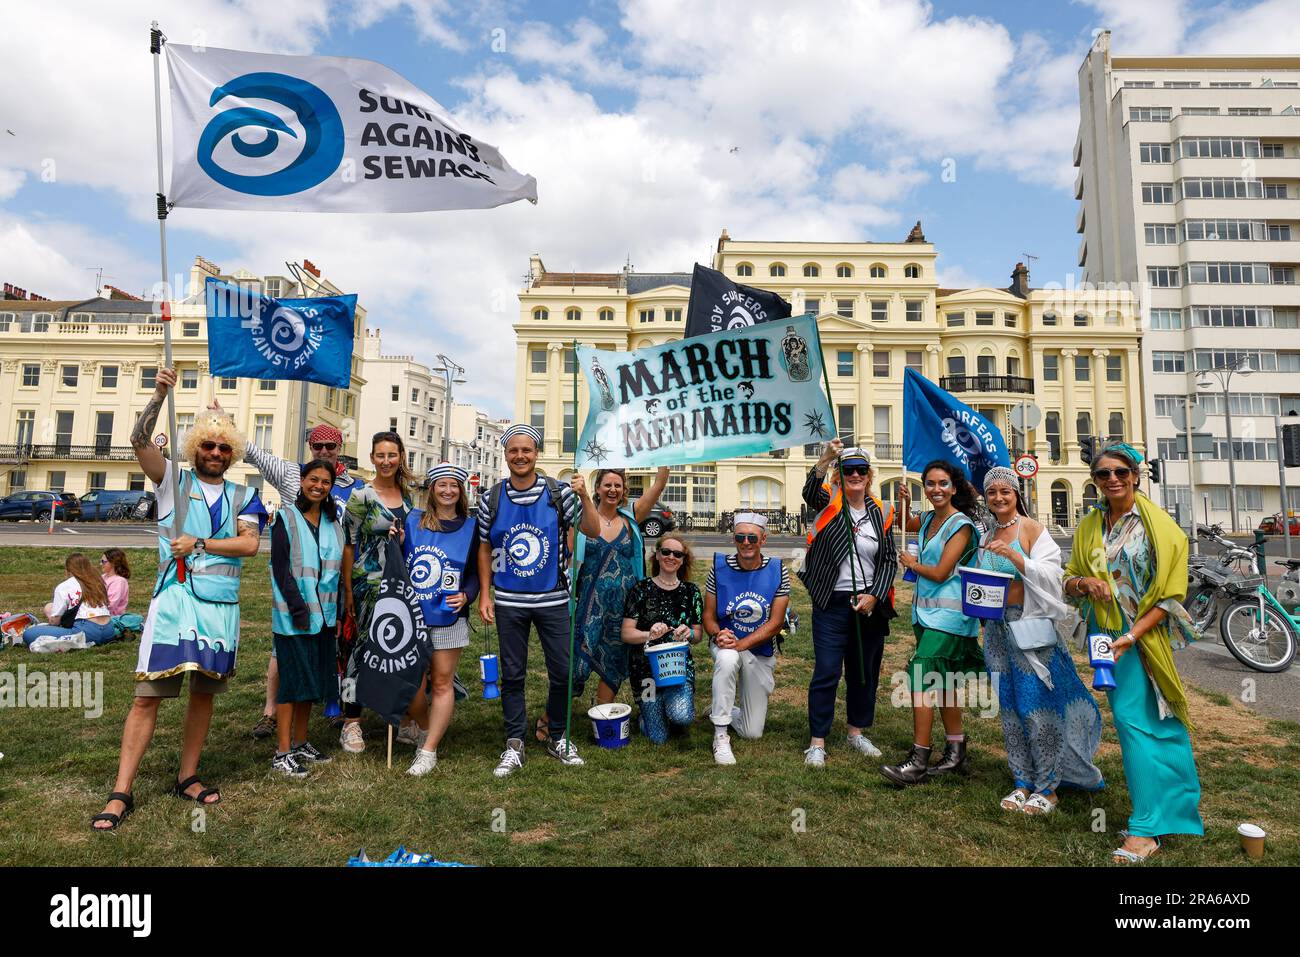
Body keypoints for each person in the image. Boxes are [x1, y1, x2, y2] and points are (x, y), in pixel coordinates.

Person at [92, 368, 266, 830]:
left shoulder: (247, 496)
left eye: (224, 447)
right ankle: (121, 791)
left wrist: (200, 543)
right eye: (208, 446)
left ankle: (187, 775)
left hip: (221, 608)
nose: (215, 453)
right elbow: (137, 440)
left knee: (203, 695)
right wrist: (158, 394)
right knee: (148, 695)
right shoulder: (172, 479)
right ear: (195, 449)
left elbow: (249, 546)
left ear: (233, 453)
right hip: (174, 602)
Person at [1063, 443, 1203, 862]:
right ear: (1095, 482)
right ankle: (1160, 812)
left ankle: (1146, 828)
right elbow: (1069, 579)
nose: (1113, 480)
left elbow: (1171, 596)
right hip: (1105, 637)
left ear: (1136, 475)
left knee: (1137, 722)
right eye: (1103, 474)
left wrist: (1133, 635)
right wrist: (1085, 585)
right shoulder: (1090, 525)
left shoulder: (1160, 526)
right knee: (1137, 723)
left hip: (1140, 639)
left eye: (1121, 472)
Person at [208, 407, 365, 742]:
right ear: (310, 447)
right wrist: (227, 421)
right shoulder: (290, 473)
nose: (324, 452)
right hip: (295, 590)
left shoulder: (355, 486)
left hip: (331, 589)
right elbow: (253, 452)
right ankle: (271, 714)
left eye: (331, 447)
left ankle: (334, 709)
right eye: (318, 446)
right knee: (284, 656)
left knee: (336, 650)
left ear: (340, 449)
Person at [978, 466, 1103, 814]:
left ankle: (1048, 788)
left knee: (1038, 707)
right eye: (992, 492)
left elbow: (1054, 574)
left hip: (1030, 627)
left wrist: (1018, 558)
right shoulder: (986, 533)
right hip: (997, 631)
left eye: (1005, 491)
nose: (999, 498)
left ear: (1016, 494)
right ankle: (1022, 780)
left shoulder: (1031, 529)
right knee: (1010, 708)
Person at [477, 424, 599, 776]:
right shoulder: (492, 498)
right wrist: (485, 593)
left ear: (536, 453)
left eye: (526, 450)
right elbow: (484, 548)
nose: (520, 456)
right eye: (513, 450)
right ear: (505, 455)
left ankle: (557, 734)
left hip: (553, 598)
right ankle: (514, 742)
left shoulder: (559, 493)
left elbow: (591, 530)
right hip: (510, 600)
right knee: (512, 674)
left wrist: (586, 496)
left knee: (562, 672)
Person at [536, 466, 669, 739]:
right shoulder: (583, 520)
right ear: (597, 488)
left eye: (618, 486)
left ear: (624, 491)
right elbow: (569, 560)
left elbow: (657, 486)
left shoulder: (631, 517)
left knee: (615, 662)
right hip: (589, 605)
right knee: (577, 665)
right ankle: (551, 716)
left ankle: (603, 716)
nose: (612, 490)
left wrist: (663, 461)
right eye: (607, 485)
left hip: (624, 608)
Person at [884, 460, 983, 785]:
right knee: (945, 684)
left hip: (951, 617)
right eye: (930, 484)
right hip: (925, 615)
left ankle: (917, 760)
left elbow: (941, 572)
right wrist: (906, 502)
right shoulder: (928, 519)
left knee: (922, 679)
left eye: (942, 484)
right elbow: (904, 521)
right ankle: (956, 753)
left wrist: (913, 563)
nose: (936, 489)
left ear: (953, 488)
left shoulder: (961, 525)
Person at [799, 442, 898, 767]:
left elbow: (887, 559)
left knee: (863, 672)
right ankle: (817, 742)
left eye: (860, 471)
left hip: (866, 602)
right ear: (840, 476)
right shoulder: (830, 499)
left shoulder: (880, 511)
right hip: (832, 600)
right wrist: (826, 458)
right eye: (848, 470)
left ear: (869, 477)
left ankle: (856, 732)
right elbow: (810, 490)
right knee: (827, 670)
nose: (854, 475)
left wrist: (875, 596)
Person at [338, 431, 416, 753]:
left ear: (400, 457)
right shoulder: (362, 496)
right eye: (380, 455)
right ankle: (350, 722)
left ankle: (399, 717)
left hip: (399, 585)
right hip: (366, 584)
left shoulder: (408, 496)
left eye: (392, 455)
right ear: (372, 457)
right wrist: (348, 589)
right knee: (358, 651)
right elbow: (348, 544)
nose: (386, 461)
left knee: (396, 649)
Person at [402, 463, 481, 776]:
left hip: (450, 614)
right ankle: (423, 726)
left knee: (442, 681)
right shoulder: (411, 522)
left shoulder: (471, 527)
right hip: (412, 614)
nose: (448, 491)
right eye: (441, 485)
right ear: (431, 489)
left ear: (461, 491)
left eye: (454, 486)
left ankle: (429, 750)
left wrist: (468, 595)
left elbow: (476, 571)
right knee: (411, 684)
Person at [267, 459, 344, 777]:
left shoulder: (332, 522)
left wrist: (337, 614)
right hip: (294, 617)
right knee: (293, 686)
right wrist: (298, 609)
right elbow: (281, 569)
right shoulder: (286, 518)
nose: (319, 486)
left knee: (311, 684)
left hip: (324, 618)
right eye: (314, 479)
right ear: (301, 481)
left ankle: (301, 742)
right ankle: (282, 752)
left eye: (325, 482)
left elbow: (335, 573)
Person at [703, 513, 791, 765]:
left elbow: (775, 623)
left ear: (763, 539)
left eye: (752, 537)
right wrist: (718, 633)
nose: (746, 542)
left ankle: (724, 707)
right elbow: (709, 616)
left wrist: (741, 643)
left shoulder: (778, 570)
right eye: (740, 537)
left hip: (759, 648)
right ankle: (720, 735)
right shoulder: (719, 568)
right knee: (728, 659)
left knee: (752, 732)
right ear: (734, 539)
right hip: (726, 643)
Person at [621, 536, 703, 743]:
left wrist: (688, 633)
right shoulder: (640, 590)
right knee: (658, 738)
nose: (671, 557)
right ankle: (647, 715)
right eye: (666, 552)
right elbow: (626, 633)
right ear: (657, 555)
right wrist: (649, 634)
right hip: (645, 673)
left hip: (678, 670)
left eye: (677, 554)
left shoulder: (691, 592)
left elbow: (698, 635)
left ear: (683, 560)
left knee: (682, 717)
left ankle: (671, 707)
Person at [21, 554, 115, 651]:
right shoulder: (98, 582)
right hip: (109, 631)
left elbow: (55, 621)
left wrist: (51, 619)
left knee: (28, 634)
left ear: (68, 570)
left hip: (86, 631)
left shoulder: (65, 586)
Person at [101, 548, 131, 616]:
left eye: (103, 561)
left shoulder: (119, 581)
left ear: (113, 563)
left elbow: (111, 605)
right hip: (99, 615)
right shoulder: (103, 577)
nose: (101, 563)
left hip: (111, 619)